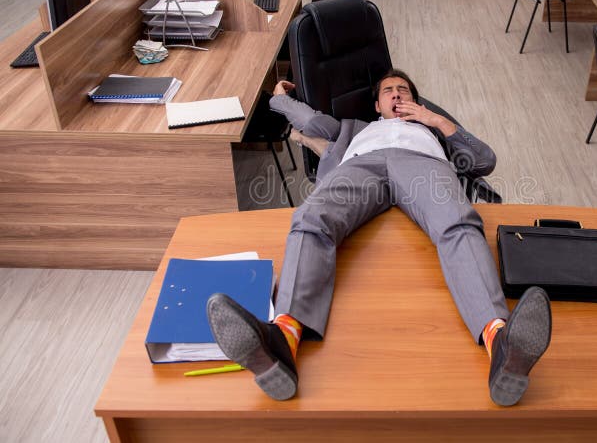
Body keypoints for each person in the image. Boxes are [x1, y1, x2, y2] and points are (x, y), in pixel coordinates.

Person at [207, 69, 551, 406]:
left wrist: (435, 120)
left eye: (405, 90)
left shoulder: (433, 132)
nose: (397, 94)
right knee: (311, 219)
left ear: (416, 100)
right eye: (389, 91)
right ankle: (282, 339)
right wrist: (280, 100)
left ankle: (500, 342)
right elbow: (311, 123)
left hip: (423, 166)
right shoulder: (355, 129)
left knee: (459, 223)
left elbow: (484, 160)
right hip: (361, 166)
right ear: (377, 105)